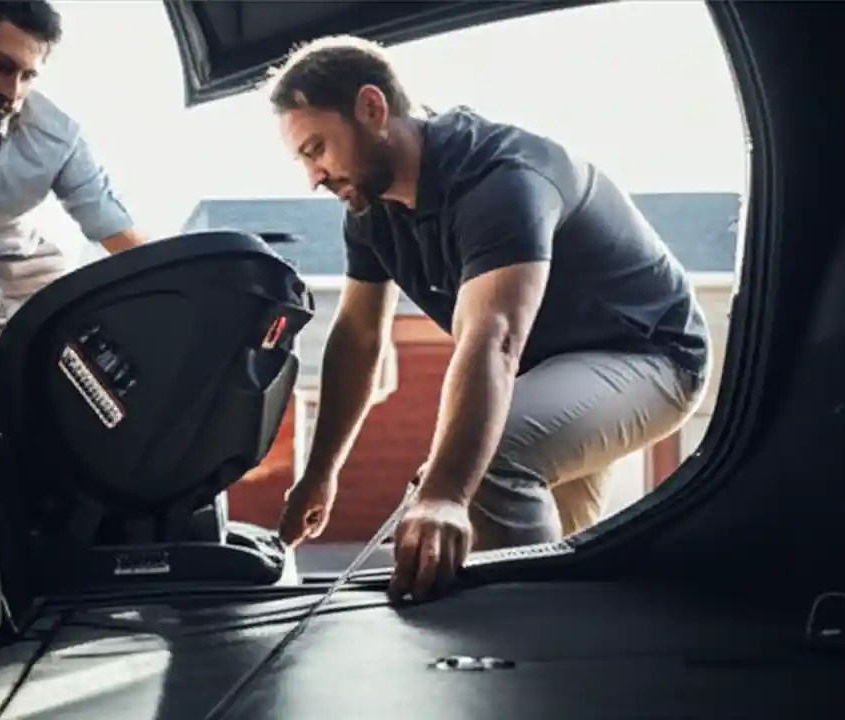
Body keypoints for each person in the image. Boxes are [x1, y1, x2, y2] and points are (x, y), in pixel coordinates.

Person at [268, 36, 711, 603]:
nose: (314, 176)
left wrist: (444, 492)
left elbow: (493, 336)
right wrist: (320, 470)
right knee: (569, 565)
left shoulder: (500, 177)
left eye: (317, 148)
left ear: (372, 110)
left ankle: (521, 662)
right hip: (547, 374)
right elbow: (358, 338)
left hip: (650, 356)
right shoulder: (371, 214)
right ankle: (561, 670)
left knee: (489, 465)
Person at [0, 1, 148, 367]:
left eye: (28, 76)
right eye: (1, 67)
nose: (12, 92)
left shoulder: (57, 137)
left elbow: (117, 233)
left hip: (30, 292)